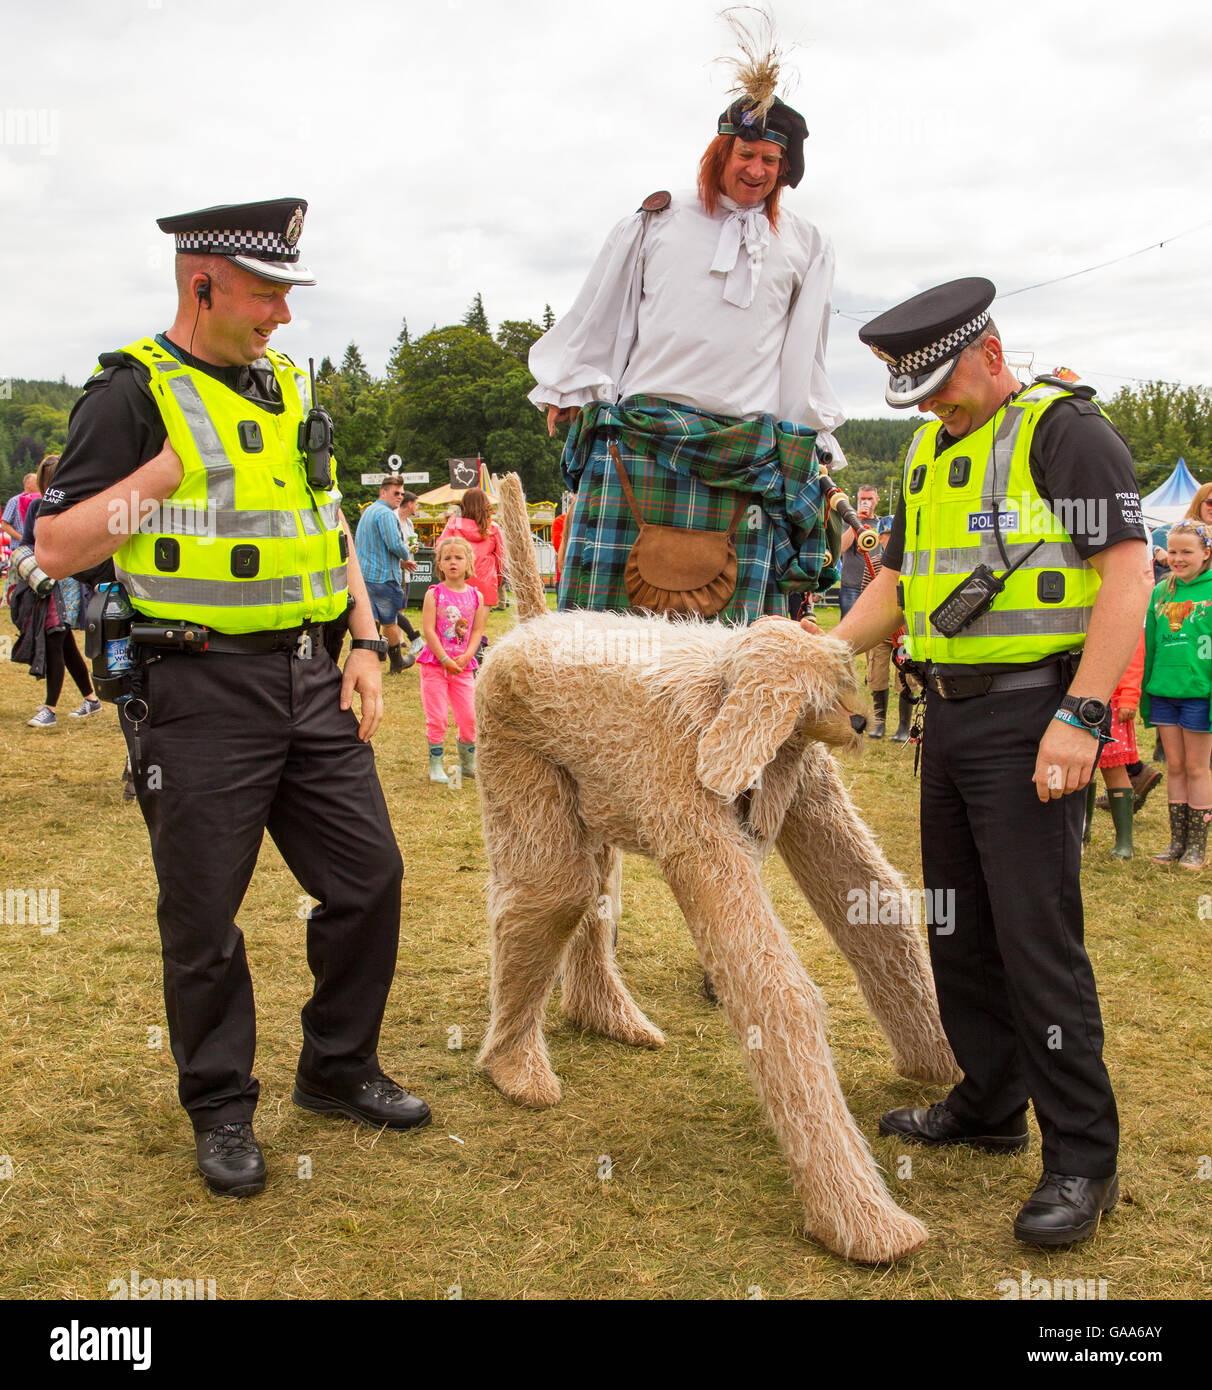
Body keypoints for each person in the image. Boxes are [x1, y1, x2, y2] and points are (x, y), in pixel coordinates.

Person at [34, 197, 430, 1200]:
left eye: (288, 297)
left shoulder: (289, 386)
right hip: (198, 684)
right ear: (201, 282)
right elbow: (56, 547)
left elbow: (327, 517)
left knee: (369, 876)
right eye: (266, 295)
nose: (282, 318)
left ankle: (337, 1066)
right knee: (204, 914)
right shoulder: (130, 392)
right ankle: (219, 1107)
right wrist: (164, 475)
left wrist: (367, 640)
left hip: (311, 673)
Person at [814, 277, 1151, 1247]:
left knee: (1037, 939)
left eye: (941, 390)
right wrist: (828, 653)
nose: (929, 410)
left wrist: (1083, 715)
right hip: (950, 723)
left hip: (1037, 713)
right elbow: (899, 583)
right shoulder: (929, 452)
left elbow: (1125, 575)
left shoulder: (1064, 431)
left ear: (991, 356)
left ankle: (1082, 1157)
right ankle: (992, 1101)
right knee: (959, 930)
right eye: (915, 396)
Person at [528, 28, 845, 626]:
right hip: (646, 439)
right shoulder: (660, 217)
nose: (755, 171)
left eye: (769, 160)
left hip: (743, 452)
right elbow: (606, 305)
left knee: (731, 653)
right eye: (744, 155)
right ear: (719, 154)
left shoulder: (805, 243)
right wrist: (568, 385)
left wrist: (809, 434)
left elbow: (807, 350)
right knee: (603, 641)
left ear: (784, 167)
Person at [1141, 520, 1212, 868]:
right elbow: (1151, 645)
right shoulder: (1161, 591)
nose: (1178, 558)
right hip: (1164, 692)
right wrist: (1145, 692)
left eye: (1187, 552)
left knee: (1198, 768)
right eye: (1172, 551)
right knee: (1176, 767)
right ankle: (1176, 843)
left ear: (1206, 553)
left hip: (1199, 693)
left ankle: (1197, 848)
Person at [14, 454, 100, 727]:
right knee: (62, 641)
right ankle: (91, 699)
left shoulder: (65, 506)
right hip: (53, 584)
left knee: (55, 639)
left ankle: (50, 709)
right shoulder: (52, 506)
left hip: (64, 585)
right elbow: (28, 543)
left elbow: (26, 543)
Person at [418, 536, 485, 784]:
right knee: (437, 718)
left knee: (469, 718)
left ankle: (467, 763)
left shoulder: (476, 597)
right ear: (440, 564)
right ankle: (436, 764)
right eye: (447, 558)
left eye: (458, 557)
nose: (453, 562)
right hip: (435, 666)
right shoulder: (433, 594)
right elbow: (429, 630)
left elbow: (477, 630)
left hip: (463, 669)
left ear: (468, 562)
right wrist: (444, 658)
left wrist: (468, 655)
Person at [1086, 631, 1145, 860]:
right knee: (1085, 769)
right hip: (1086, 700)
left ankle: (1124, 842)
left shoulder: (1123, 611)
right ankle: (1083, 830)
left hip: (1115, 702)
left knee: (1114, 769)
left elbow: (1134, 656)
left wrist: (1130, 696)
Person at [353, 474, 417, 674]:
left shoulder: (370, 511)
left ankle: (371, 659)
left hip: (365, 575)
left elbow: (375, 547)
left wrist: (400, 560)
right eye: (395, 493)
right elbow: (394, 544)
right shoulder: (386, 514)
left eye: (402, 493)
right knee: (390, 621)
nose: (399, 497)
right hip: (382, 577)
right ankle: (397, 662)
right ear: (383, 492)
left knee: (370, 620)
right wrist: (406, 551)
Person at [837, 485, 879, 619]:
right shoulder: (847, 521)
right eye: (862, 499)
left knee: (872, 627)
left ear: (876, 500)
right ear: (857, 500)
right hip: (851, 586)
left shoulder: (880, 523)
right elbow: (841, 547)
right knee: (848, 628)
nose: (866, 502)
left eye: (869, 499)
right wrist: (856, 521)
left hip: (874, 585)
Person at [2, 472, 40, 545]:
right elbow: (5, 524)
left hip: (37, 547)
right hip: (20, 547)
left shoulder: (41, 500)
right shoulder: (15, 501)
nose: (39, 484)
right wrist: (22, 538)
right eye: (37, 482)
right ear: (27, 484)